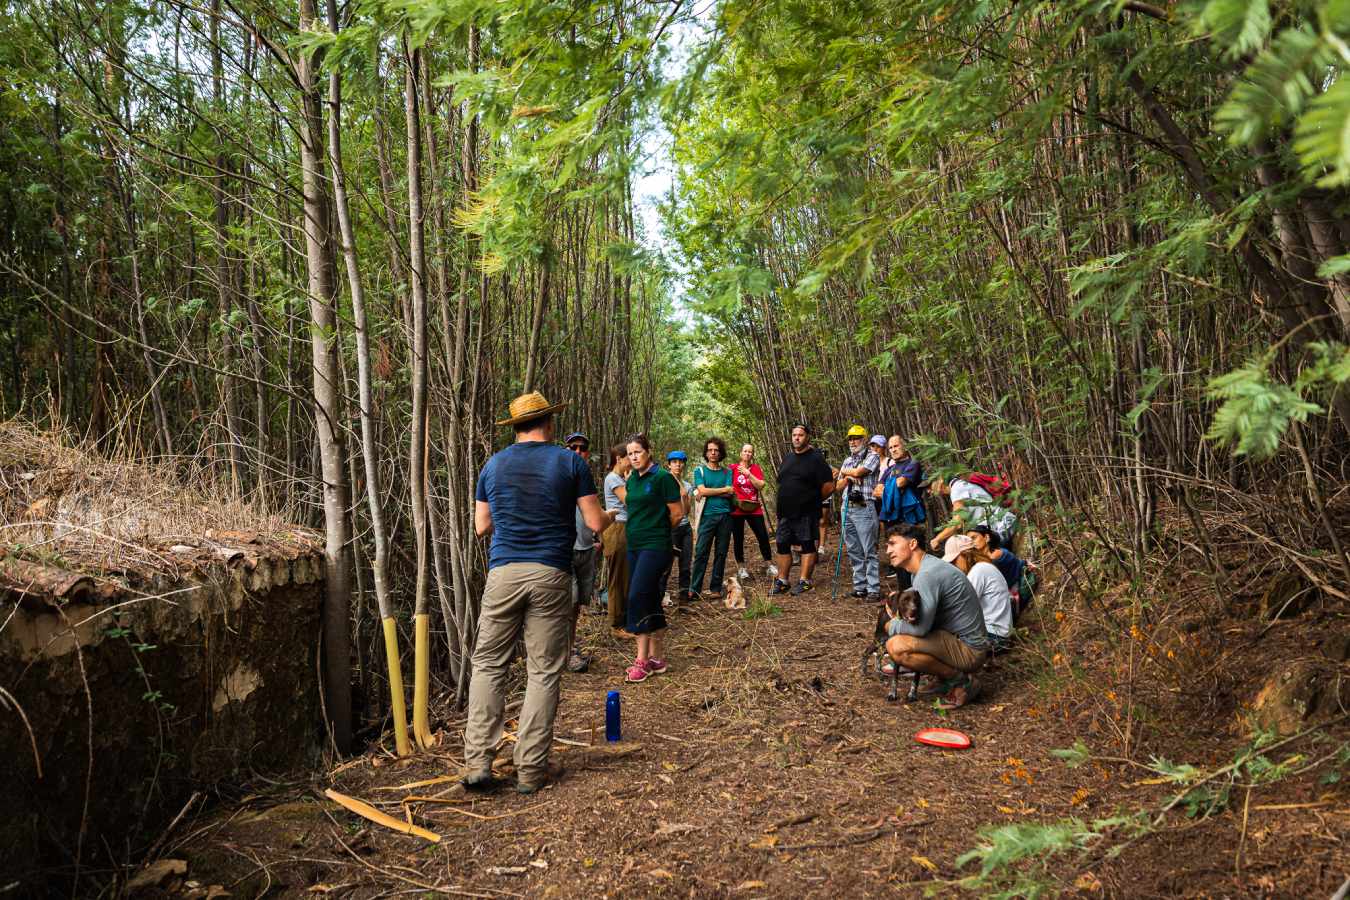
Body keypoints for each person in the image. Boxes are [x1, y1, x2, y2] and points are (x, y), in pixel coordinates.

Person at [464, 392, 610, 794]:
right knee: (543, 671)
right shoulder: (569, 462)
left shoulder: (493, 465)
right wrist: (613, 514)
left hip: (504, 571)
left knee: (489, 665)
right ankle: (530, 770)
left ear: (515, 427)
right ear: (549, 422)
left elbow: (481, 526)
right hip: (550, 572)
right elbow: (595, 521)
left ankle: (478, 764)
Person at [881, 523, 989, 709]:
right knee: (903, 638)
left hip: (970, 650)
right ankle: (942, 677)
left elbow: (921, 628)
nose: (888, 551)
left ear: (913, 544)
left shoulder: (927, 574)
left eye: (893, 544)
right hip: (957, 640)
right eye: (887, 546)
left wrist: (891, 625)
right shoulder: (924, 569)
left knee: (896, 645)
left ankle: (961, 681)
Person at [621, 435, 684, 682]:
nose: (634, 457)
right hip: (634, 545)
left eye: (638, 452)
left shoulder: (662, 477)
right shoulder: (632, 479)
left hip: (656, 546)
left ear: (648, 451)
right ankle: (657, 659)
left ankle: (642, 661)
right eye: (630, 453)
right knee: (650, 598)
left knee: (637, 596)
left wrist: (657, 530)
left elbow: (677, 514)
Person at [770, 424, 835, 596]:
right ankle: (782, 581)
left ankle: (805, 581)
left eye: (800, 435)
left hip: (806, 511)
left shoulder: (816, 458)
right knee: (782, 544)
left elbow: (829, 486)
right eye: (794, 435)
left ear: (807, 437)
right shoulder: (788, 457)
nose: (797, 438)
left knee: (807, 544)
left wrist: (812, 500)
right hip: (785, 512)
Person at [563, 431, 597, 673]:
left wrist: (598, 537)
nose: (577, 452)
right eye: (573, 447)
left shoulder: (587, 478)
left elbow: (592, 512)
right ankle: (563, 654)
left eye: (582, 448)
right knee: (568, 602)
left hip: (586, 548)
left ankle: (571, 648)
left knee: (576, 607)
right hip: (564, 550)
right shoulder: (558, 476)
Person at [944, 534, 1013, 652]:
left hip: (995, 637)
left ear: (964, 555)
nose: (953, 566)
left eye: (954, 561)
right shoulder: (983, 567)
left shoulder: (978, 571)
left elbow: (961, 607)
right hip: (997, 634)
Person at [837, 424, 882, 601]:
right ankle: (860, 586)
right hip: (847, 507)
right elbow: (838, 486)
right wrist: (848, 476)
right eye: (850, 438)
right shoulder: (847, 460)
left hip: (864, 507)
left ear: (864, 439)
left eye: (856, 437)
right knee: (854, 549)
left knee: (869, 549)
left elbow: (860, 472)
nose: (853, 441)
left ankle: (873, 588)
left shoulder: (873, 456)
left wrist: (846, 472)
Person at [876, 435, 927, 590]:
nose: (893, 450)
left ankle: (920, 592)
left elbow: (902, 482)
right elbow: (876, 491)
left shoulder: (913, 464)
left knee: (913, 556)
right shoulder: (890, 469)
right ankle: (904, 595)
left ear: (904, 446)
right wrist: (890, 488)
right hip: (894, 520)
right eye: (890, 447)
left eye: (896, 446)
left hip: (910, 520)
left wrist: (887, 488)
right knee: (898, 558)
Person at [690, 436, 735, 601]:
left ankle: (715, 588)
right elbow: (702, 491)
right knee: (701, 553)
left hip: (725, 517)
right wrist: (723, 490)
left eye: (716, 450)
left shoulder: (727, 472)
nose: (713, 453)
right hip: (707, 517)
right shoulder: (699, 471)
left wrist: (711, 491)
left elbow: (731, 492)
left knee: (721, 553)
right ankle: (694, 589)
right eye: (710, 450)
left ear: (721, 452)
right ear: (706, 453)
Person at [929, 475, 1018, 551]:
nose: (929, 491)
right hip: (1004, 522)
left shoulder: (957, 491)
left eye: (929, 487)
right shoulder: (961, 484)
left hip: (1001, 528)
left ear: (940, 482)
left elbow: (956, 524)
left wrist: (937, 539)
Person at [730, 443, 777, 582]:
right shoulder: (732, 468)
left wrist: (749, 474)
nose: (747, 453)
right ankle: (741, 568)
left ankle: (769, 565)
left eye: (750, 452)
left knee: (762, 536)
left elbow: (761, 485)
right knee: (738, 538)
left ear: (752, 454)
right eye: (745, 451)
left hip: (754, 508)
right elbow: (728, 486)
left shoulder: (755, 469)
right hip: (737, 509)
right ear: (740, 453)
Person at [967, 525, 1036, 619]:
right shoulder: (987, 557)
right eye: (969, 540)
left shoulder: (995, 556)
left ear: (986, 537)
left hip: (1018, 589)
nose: (972, 542)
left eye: (974, 538)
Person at [601, 444, 631, 629]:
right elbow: (630, 500)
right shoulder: (613, 479)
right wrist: (631, 482)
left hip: (623, 528)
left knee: (624, 576)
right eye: (628, 456)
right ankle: (616, 624)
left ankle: (622, 621)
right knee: (617, 578)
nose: (632, 461)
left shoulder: (619, 478)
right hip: (617, 528)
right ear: (619, 459)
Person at [660, 450, 694, 604]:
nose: (678, 465)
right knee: (665, 566)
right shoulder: (663, 482)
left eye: (680, 462)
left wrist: (684, 496)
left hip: (685, 528)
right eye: (674, 462)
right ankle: (658, 598)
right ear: (669, 465)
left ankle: (683, 599)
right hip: (670, 529)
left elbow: (687, 511)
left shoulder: (687, 485)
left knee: (685, 565)